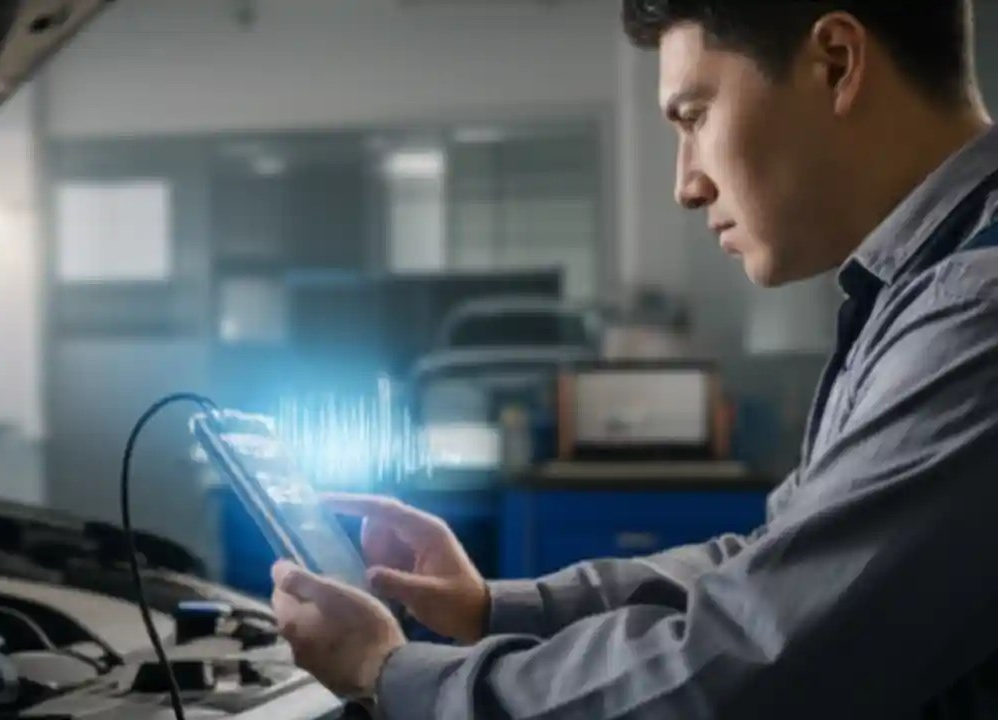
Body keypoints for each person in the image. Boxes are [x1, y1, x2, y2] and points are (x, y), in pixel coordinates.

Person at [269, 0, 998, 717]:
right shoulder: (920, 294)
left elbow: (741, 666)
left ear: (836, 62)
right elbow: (771, 570)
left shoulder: (976, 309)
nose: (686, 184)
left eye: (695, 116)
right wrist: (493, 609)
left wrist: (391, 672)